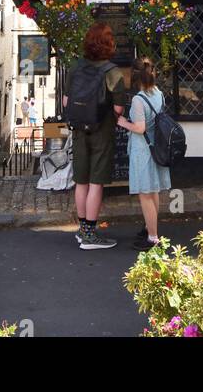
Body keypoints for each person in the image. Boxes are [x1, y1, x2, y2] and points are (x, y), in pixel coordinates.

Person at [64, 23, 125, 251]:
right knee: (96, 182)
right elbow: (118, 110)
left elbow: (66, 102)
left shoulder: (75, 67)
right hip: (102, 130)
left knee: (81, 180)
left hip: (79, 129)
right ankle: (90, 236)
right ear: (109, 44)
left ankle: (82, 231)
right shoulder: (113, 73)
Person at [117, 57, 170, 252]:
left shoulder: (139, 99)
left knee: (145, 195)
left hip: (143, 150)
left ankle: (153, 238)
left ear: (135, 76)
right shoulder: (158, 94)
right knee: (153, 191)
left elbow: (139, 128)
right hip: (156, 146)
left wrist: (123, 123)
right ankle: (150, 227)